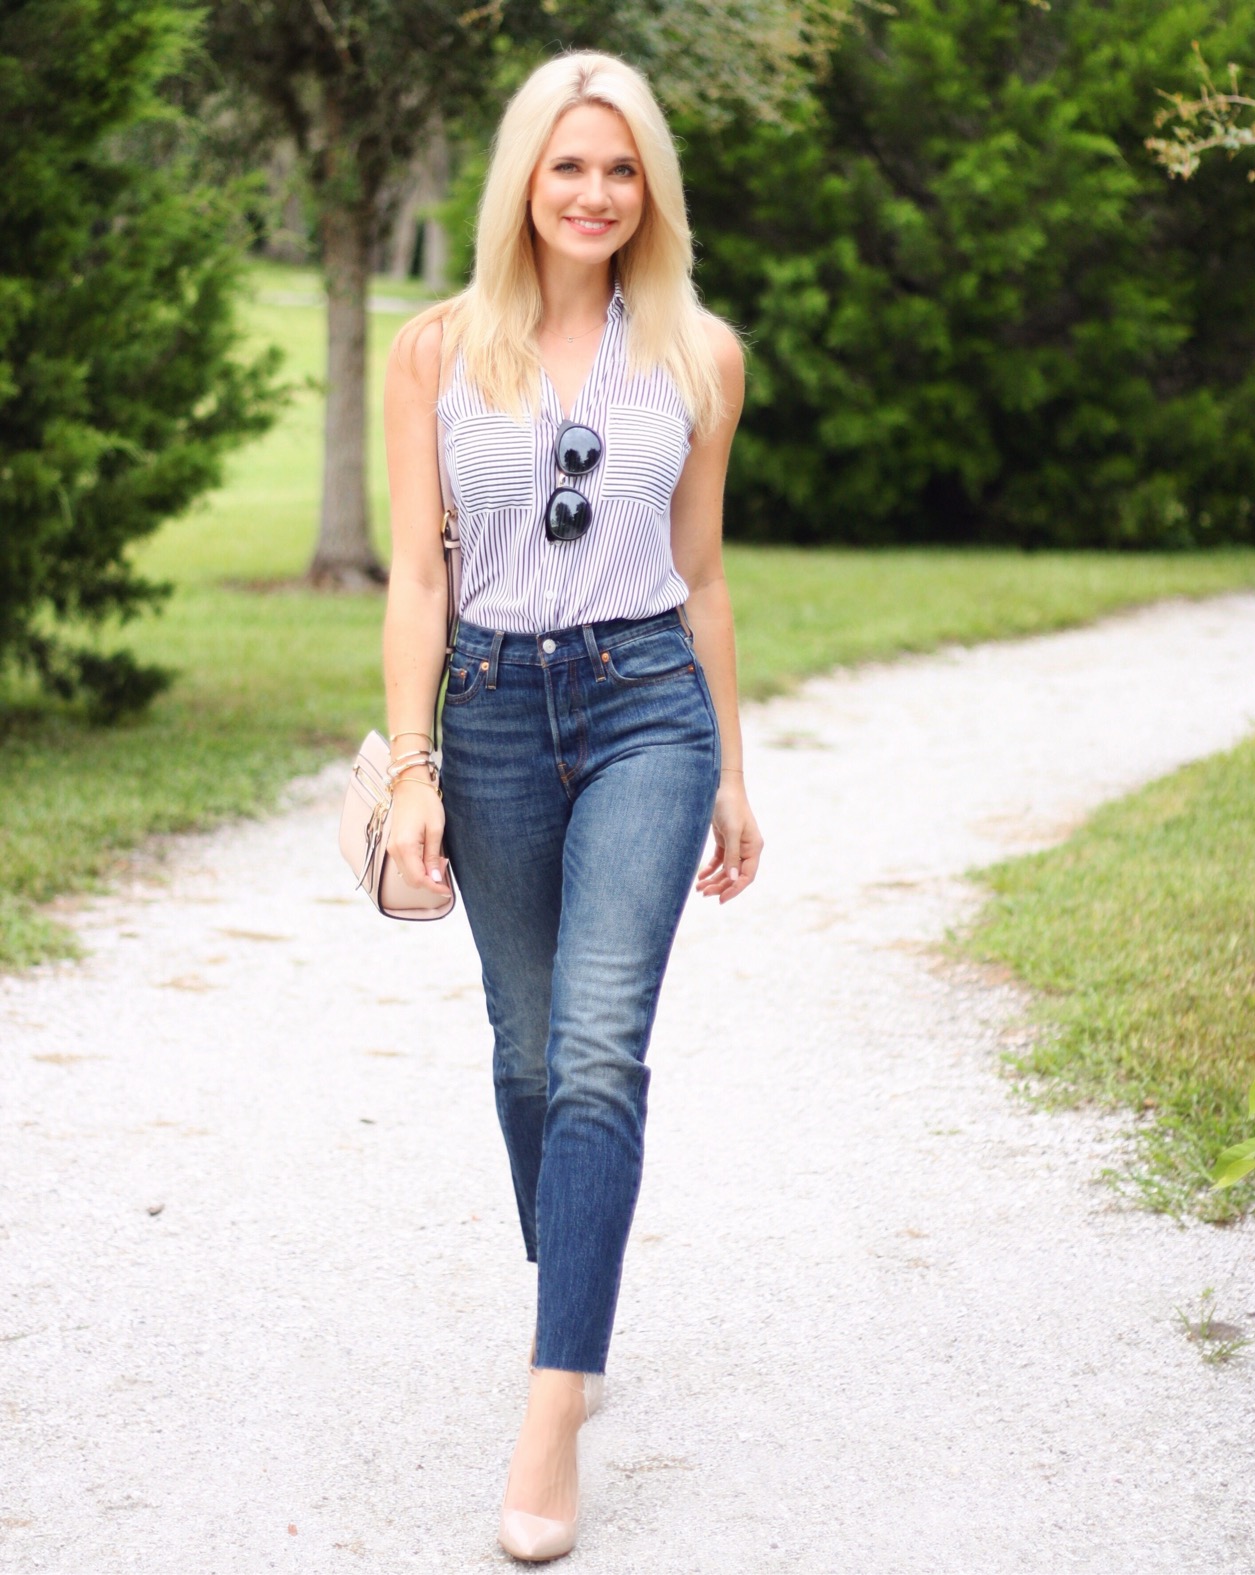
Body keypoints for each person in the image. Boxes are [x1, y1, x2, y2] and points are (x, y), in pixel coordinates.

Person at [380, 48, 762, 1563]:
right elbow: (418, 574)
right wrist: (408, 761)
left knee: (599, 1045)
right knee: (528, 1051)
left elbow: (708, 572)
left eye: (620, 170)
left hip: (645, 710)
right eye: (568, 167)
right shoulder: (433, 351)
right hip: (481, 712)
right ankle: (576, 1298)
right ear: (522, 183)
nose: (595, 194)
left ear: (647, 190)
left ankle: (553, 1403)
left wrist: (731, 766)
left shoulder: (700, 355)